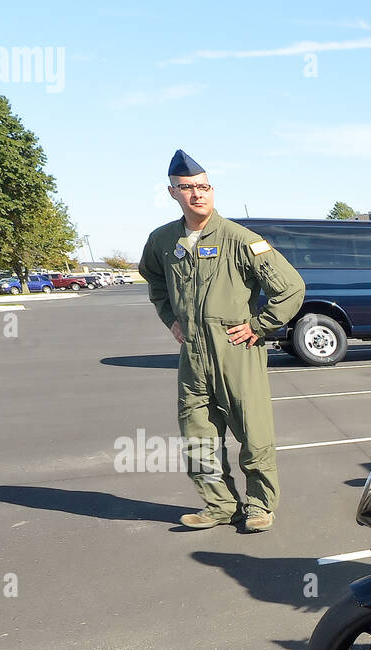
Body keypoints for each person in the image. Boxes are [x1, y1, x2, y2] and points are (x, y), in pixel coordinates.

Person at [139, 150, 304, 530]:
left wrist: (260, 326)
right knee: (197, 435)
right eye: (187, 188)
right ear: (172, 192)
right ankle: (219, 506)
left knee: (253, 432)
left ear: (212, 190)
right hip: (193, 357)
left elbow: (291, 288)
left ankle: (260, 506)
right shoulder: (163, 241)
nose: (197, 194)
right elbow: (155, 280)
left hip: (236, 351)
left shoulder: (240, 239)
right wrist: (171, 320)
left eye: (203, 186)